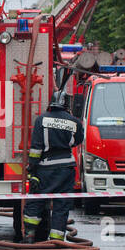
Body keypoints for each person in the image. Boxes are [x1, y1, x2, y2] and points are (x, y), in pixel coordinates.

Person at [22, 89, 83, 242]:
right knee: (61, 205)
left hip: (46, 168)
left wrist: (32, 167)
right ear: (66, 104)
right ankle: (57, 240)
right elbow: (78, 140)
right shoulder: (75, 122)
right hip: (67, 168)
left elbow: (36, 148)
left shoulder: (41, 120)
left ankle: (29, 235)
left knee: (36, 200)